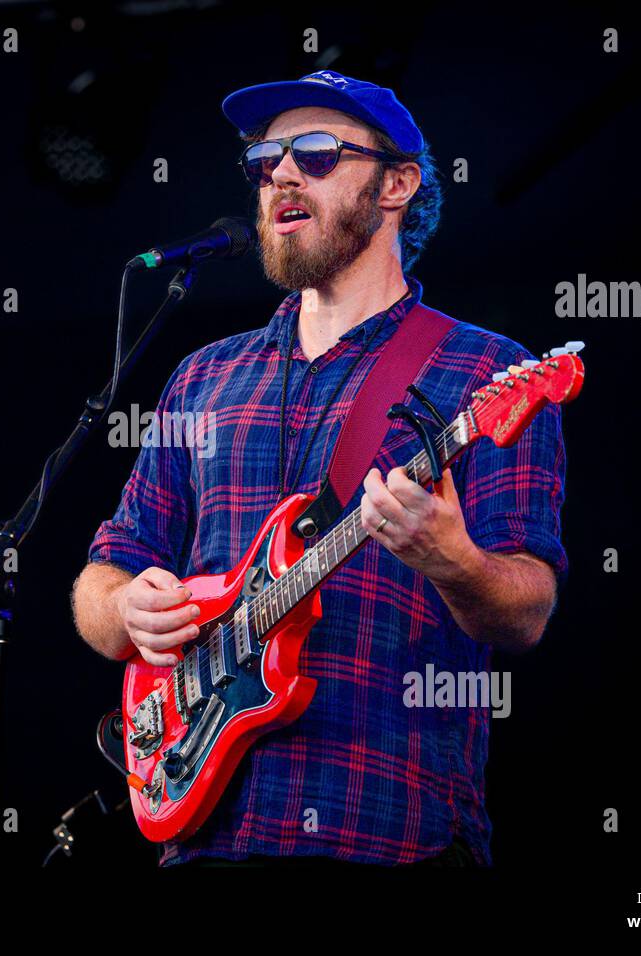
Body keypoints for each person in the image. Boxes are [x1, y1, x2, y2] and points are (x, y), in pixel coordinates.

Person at [71, 71, 568, 867]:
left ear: (398, 183)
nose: (281, 175)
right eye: (265, 159)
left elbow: (527, 610)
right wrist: (126, 607)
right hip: (206, 840)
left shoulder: (484, 372)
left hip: (387, 831)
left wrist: (457, 562)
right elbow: (107, 570)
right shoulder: (203, 377)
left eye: (315, 152)